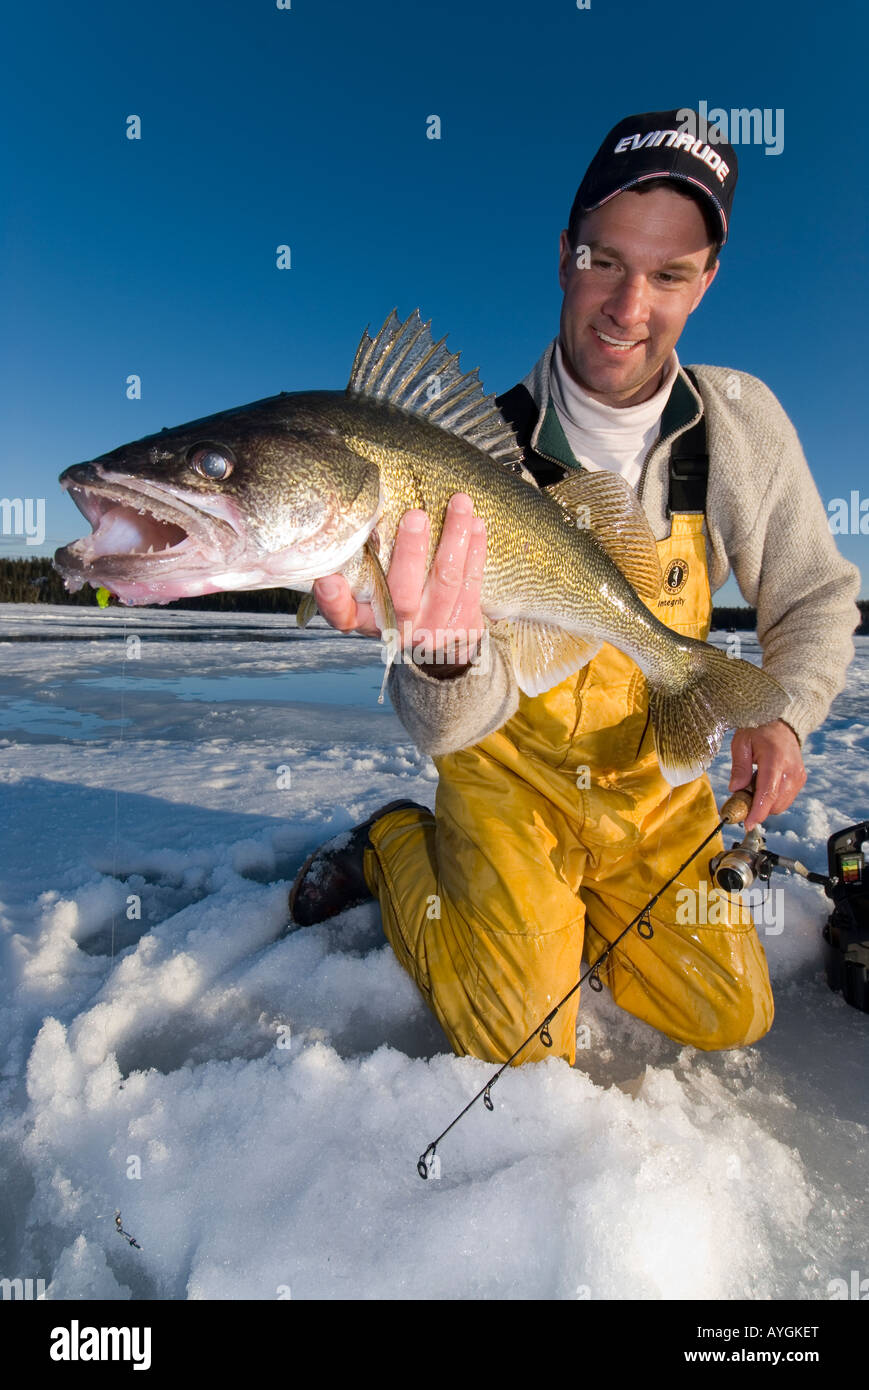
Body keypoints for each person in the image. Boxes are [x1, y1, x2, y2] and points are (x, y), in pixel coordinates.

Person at [288, 110, 861, 1064]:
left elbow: (811, 593)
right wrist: (441, 657)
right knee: (516, 1038)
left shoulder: (739, 425)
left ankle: (568, 913)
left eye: (668, 273)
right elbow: (449, 727)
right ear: (563, 256)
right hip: (508, 776)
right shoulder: (480, 447)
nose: (627, 306)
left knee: (733, 1012)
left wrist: (784, 714)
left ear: (704, 281)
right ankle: (396, 843)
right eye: (604, 260)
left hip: (649, 791)